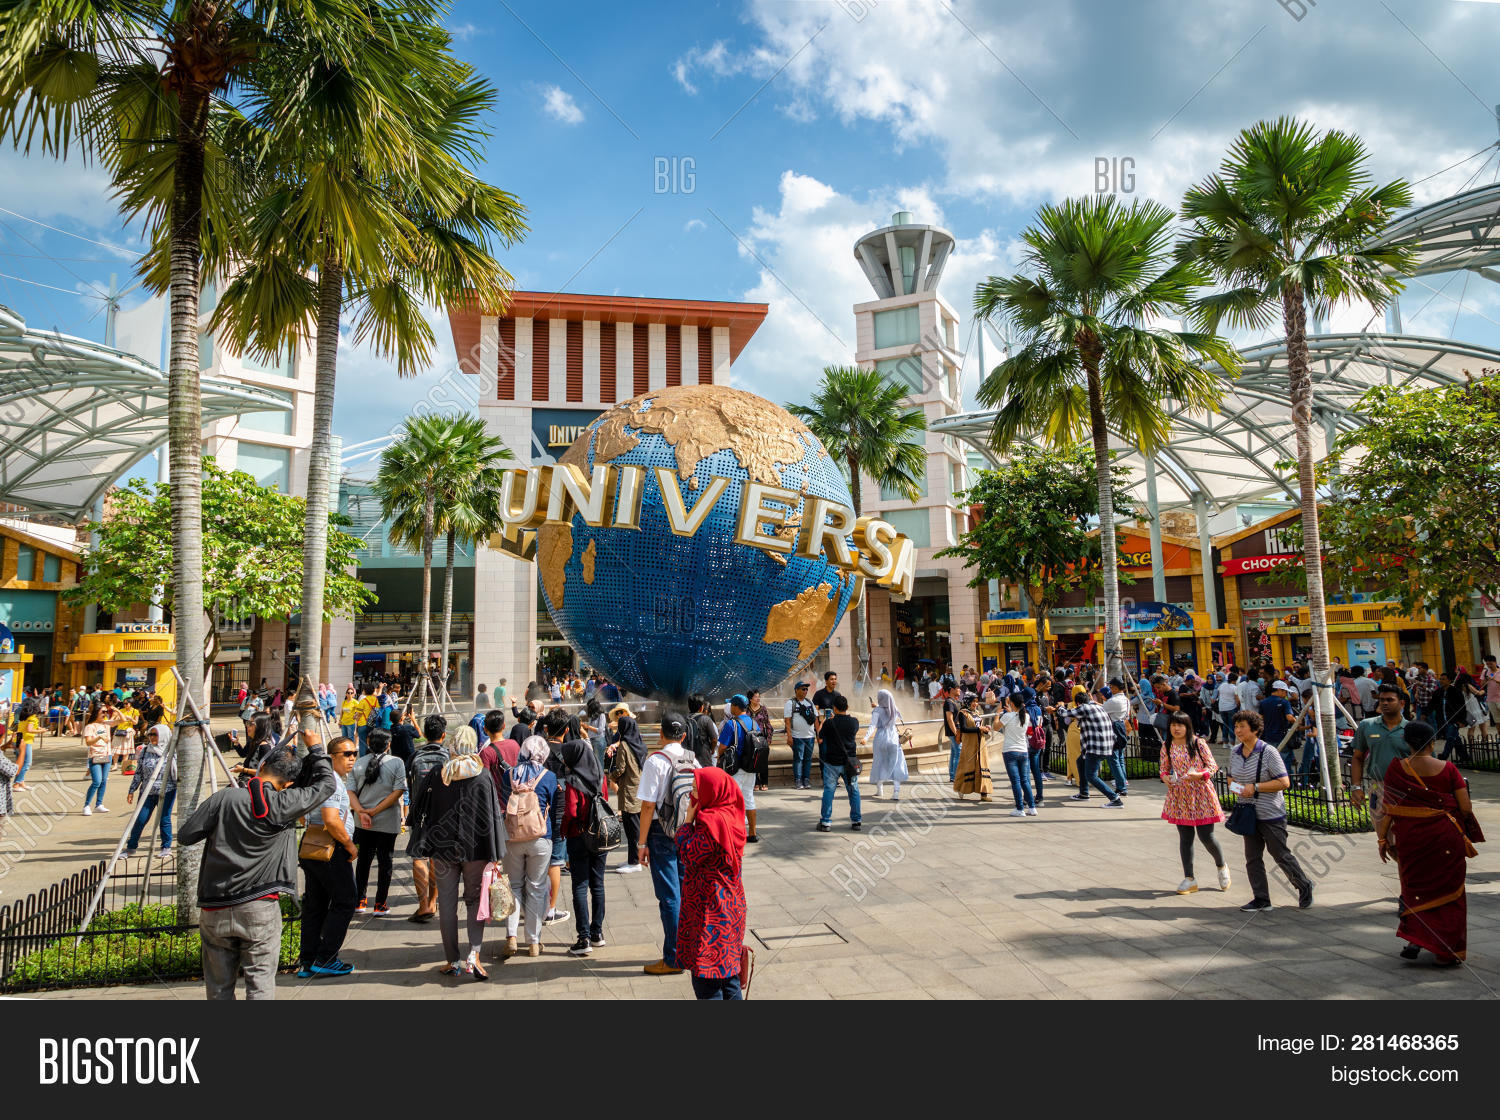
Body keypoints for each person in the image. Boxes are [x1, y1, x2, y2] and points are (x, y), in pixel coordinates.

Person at [179, 736, 338, 998]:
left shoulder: (225, 798)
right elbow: (326, 784)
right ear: (288, 783)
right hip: (259, 907)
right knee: (260, 983)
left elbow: (187, 836)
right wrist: (316, 748)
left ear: (261, 767)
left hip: (215, 905)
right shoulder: (285, 802)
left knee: (218, 989)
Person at [1377, 721, 1484, 966]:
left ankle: (1416, 940)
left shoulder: (1396, 769)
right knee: (1450, 893)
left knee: (1415, 891)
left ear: (1407, 742)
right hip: (1445, 837)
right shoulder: (1448, 769)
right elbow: (1465, 808)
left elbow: (1388, 808)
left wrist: (1383, 839)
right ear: (1432, 742)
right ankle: (1446, 953)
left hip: (1412, 838)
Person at [407, 724, 504, 979]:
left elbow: (418, 808)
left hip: (442, 849)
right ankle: (475, 954)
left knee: (447, 905)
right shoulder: (482, 776)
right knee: (474, 902)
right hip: (477, 849)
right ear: (473, 746)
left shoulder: (439, 774)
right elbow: (493, 816)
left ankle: (453, 960)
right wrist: (496, 853)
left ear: (452, 745)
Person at [1226, 710, 1313, 912]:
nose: (1238, 730)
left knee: (1280, 854)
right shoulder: (1235, 752)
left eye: (1242, 727)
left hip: (1270, 813)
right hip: (1248, 813)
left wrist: (1255, 787)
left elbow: (1284, 782)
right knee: (1252, 858)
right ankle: (1261, 898)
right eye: (1236, 726)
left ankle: (1303, 885)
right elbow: (1230, 779)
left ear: (1254, 729)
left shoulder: (1268, 752)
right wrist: (1239, 789)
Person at [635, 712, 700, 976]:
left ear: (661, 734)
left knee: (670, 898)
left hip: (662, 834)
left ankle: (673, 959)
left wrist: (641, 843)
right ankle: (691, 951)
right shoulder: (692, 759)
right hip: (687, 831)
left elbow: (648, 805)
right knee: (686, 893)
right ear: (683, 735)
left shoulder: (655, 761)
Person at [676, 766, 748, 999]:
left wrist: (687, 822)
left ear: (712, 791)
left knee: (707, 981)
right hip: (730, 906)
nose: (692, 796)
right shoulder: (731, 816)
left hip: (711, 912)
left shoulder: (711, 824)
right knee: (728, 978)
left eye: (697, 789)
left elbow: (688, 853)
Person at [295, 733, 361, 977]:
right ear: (331, 757)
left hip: (311, 845)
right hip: (331, 848)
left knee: (315, 904)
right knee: (345, 901)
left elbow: (304, 815)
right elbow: (331, 820)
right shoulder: (331, 781)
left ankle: (308, 960)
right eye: (347, 754)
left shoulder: (318, 779)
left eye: (355, 753)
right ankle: (326, 957)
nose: (352, 758)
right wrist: (350, 846)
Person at [498, 735, 559, 958]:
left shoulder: (508, 775)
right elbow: (553, 807)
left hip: (512, 837)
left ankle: (511, 937)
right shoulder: (549, 776)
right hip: (540, 838)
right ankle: (533, 942)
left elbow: (503, 802)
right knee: (535, 887)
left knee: (513, 886)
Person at [1159, 712, 1229, 894]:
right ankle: (1189, 878)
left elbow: (1212, 766)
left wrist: (1199, 775)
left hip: (1201, 794)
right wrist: (1165, 777)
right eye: (1173, 725)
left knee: (1207, 836)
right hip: (1180, 795)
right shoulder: (1167, 745)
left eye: (1180, 725)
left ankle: (1222, 866)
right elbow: (1163, 768)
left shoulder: (1198, 743)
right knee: (1185, 838)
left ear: (1187, 726)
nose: (1176, 728)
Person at [557, 737, 608, 956]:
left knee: (579, 885)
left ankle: (583, 937)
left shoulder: (573, 781)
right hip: (599, 835)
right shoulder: (600, 777)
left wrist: (563, 832)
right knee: (598, 884)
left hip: (579, 836)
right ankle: (597, 933)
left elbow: (571, 811)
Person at [348, 727, 406, 917]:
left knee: (363, 859)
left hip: (362, 822)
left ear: (369, 744)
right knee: (385, 861)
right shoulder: (397, 762)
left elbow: (350, 792)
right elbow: (398, 791)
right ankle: (380, 903)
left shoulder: (358, 764)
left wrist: (362, 812)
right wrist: (375, 811)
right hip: (387, 821)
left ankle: (360, 900)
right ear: (388, 744)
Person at [404, 714, 451, 923]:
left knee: (419, 857)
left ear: (424, 734)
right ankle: (433, 902)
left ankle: (422, 904)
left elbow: (409, 784)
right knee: (436, 857)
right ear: (443, 734)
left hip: (419, 813)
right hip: (443, 813)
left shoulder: (414, 756)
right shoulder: (448, 757)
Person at [1350, 684, 1410, 825]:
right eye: (1382, 700)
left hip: (1406, 790)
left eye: (1390, 700)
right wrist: (1356, 787)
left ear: (1402, 703)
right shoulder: (1366, 725)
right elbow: (1357, 758)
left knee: (1404, 838)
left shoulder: (1411, 729)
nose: (1384, 703)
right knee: (1383, 838)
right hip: (1378, 789)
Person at [1061, 690, 1125, 808]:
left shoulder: (1085, 708)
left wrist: (1059, 707)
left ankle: (1115, 799)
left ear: (1079, 703)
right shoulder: (1098, 707)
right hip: (1103, 745)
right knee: (1080, 761)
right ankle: (1084, 793)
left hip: (1096, 748)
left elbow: (1066, 713)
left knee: (1091, 775)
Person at [124, 724, 177, 856]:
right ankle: (131, 847)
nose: (152, 738)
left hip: (167, 790)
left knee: (164, 819)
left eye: (155, 735)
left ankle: (166, 846)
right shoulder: (145, 751)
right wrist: (132, 790)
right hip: (147, 791)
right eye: (150, 734)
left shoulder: (171, 751)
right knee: (140, 819)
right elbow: (139, 772)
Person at [606, 708, 646, 874]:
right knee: (635, 825)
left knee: (631, 828)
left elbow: (621, 768)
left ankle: (635, 862)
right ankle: (633, 858)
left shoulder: (624, 745)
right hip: (638, 788)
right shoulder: (639, 744)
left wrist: (611, 777)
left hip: (629, 789)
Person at [815, 692, 863, 831]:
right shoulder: (854, 722)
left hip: (832, 762)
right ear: (847, 706)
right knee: (853, 790)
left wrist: (825, 720)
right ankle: (856, 821)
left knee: (829, 791)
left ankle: (825, 822)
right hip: (850, 762)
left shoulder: (830, 723)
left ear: (834, 708)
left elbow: (820, 737)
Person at [717, 694, 760, 842]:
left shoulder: (732, 724)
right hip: (751, 767)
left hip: (735, 768)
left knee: (732, 801)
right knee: (749, 799)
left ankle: (735, 834)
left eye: (732, 705)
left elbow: (722, 747)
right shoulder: (754, 723)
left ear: (735, 706)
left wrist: (719, 755)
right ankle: (753, 833)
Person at [866, 688, 909, 800]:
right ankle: (895, 793)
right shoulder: (894, 708)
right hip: (894, 739)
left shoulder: (877, 711)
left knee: (879, 762)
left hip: (880, 739)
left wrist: (865, 738)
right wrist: (878, 707)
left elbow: (872, 726)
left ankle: (880, 788)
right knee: (896, 764)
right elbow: (888, 710)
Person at [997, 693, 1035, 817]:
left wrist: (998, 713)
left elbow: (995, 727)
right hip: (1023, 751)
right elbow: (1017, 716)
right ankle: (1032, 807)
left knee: (1016, 782)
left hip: (1010, 751)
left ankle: (1020, 809)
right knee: (1025, 780)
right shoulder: (1027, 716)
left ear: (1012, 703)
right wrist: (1010, 712)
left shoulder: (1008, 716)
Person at [952, 693, 993, 802]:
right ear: (967, 702)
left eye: (976, 701)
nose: (975, 704)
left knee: (982, 765)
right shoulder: (963, 713)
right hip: (969, 744)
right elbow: (964, 729)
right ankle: (961, 788)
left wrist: (985, 729)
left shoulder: (977, 713)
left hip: (980, 743)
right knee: (968, 765)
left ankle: (984, 793)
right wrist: (979, 729)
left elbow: (979, 726)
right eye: (973, 701)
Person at [81, 699, 113, 815]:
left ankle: (99, 804)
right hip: (95, 755)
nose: (105, 714)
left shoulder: (106, 724)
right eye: (102, 712)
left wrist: (115, 709)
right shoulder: (90, 726)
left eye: (106, 712)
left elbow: (122, 720)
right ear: (96, 713)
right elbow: (88, 742)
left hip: (107, 755)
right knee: (97, 781)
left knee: (104, 781)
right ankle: (87, 805)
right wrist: (99, 738)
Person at [783, 680, 817, 791]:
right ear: (796, 690)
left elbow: (815, 719)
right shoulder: (790, 703)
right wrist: (789, 736)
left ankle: (806, 780)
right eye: (803, 689)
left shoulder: (810, 702)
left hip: (810, 737)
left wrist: (818, 734)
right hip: (797, 737)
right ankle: (798, 780)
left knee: (808, 759)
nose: (805, 691)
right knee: (798, 759)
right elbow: (787, 721)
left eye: (806, 689)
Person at [746, 688, 774, 791]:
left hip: (761, 738)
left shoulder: (763, 709)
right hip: (750, 738)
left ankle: (764, 782)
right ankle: (756, 782)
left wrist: (769, 739)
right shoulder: (746, 709)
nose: (758, 699)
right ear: (750, 699)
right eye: (755, 697)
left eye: (759, 696)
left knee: (763, 760)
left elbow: (768, 725)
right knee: (752, 759)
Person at [940, 684, 962, 782]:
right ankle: (955, 775)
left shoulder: (955, 701)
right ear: (952, 689)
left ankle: (953, 775)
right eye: (958, 688)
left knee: (954, 752)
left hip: (956, 730)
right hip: (954, 731)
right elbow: (949, 719)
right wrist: (956, 732)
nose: (959, 690)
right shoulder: (949, 702)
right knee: (958, 752)